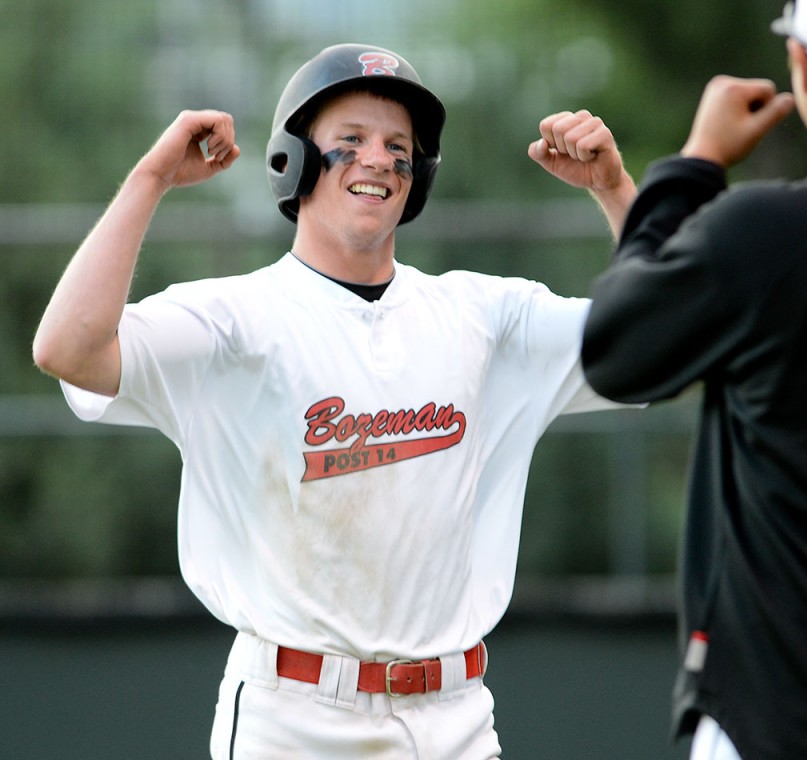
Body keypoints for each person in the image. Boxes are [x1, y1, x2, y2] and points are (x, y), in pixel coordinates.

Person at [31, 44, 639, 758]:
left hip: (456, 720)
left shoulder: (485, 316)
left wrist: (616, 190)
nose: (378, 159)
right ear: (292, 160)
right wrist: (151, 177)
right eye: (348, 142)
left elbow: (673, 339)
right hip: (295, 721)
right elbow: (66, 349)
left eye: (398, 146)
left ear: (421, 177)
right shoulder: (235, 319)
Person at [574, 0, 807, 757]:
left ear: (803, 67)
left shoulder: (766, 236)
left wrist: (694, 164)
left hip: (778, 721)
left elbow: (617, 349)